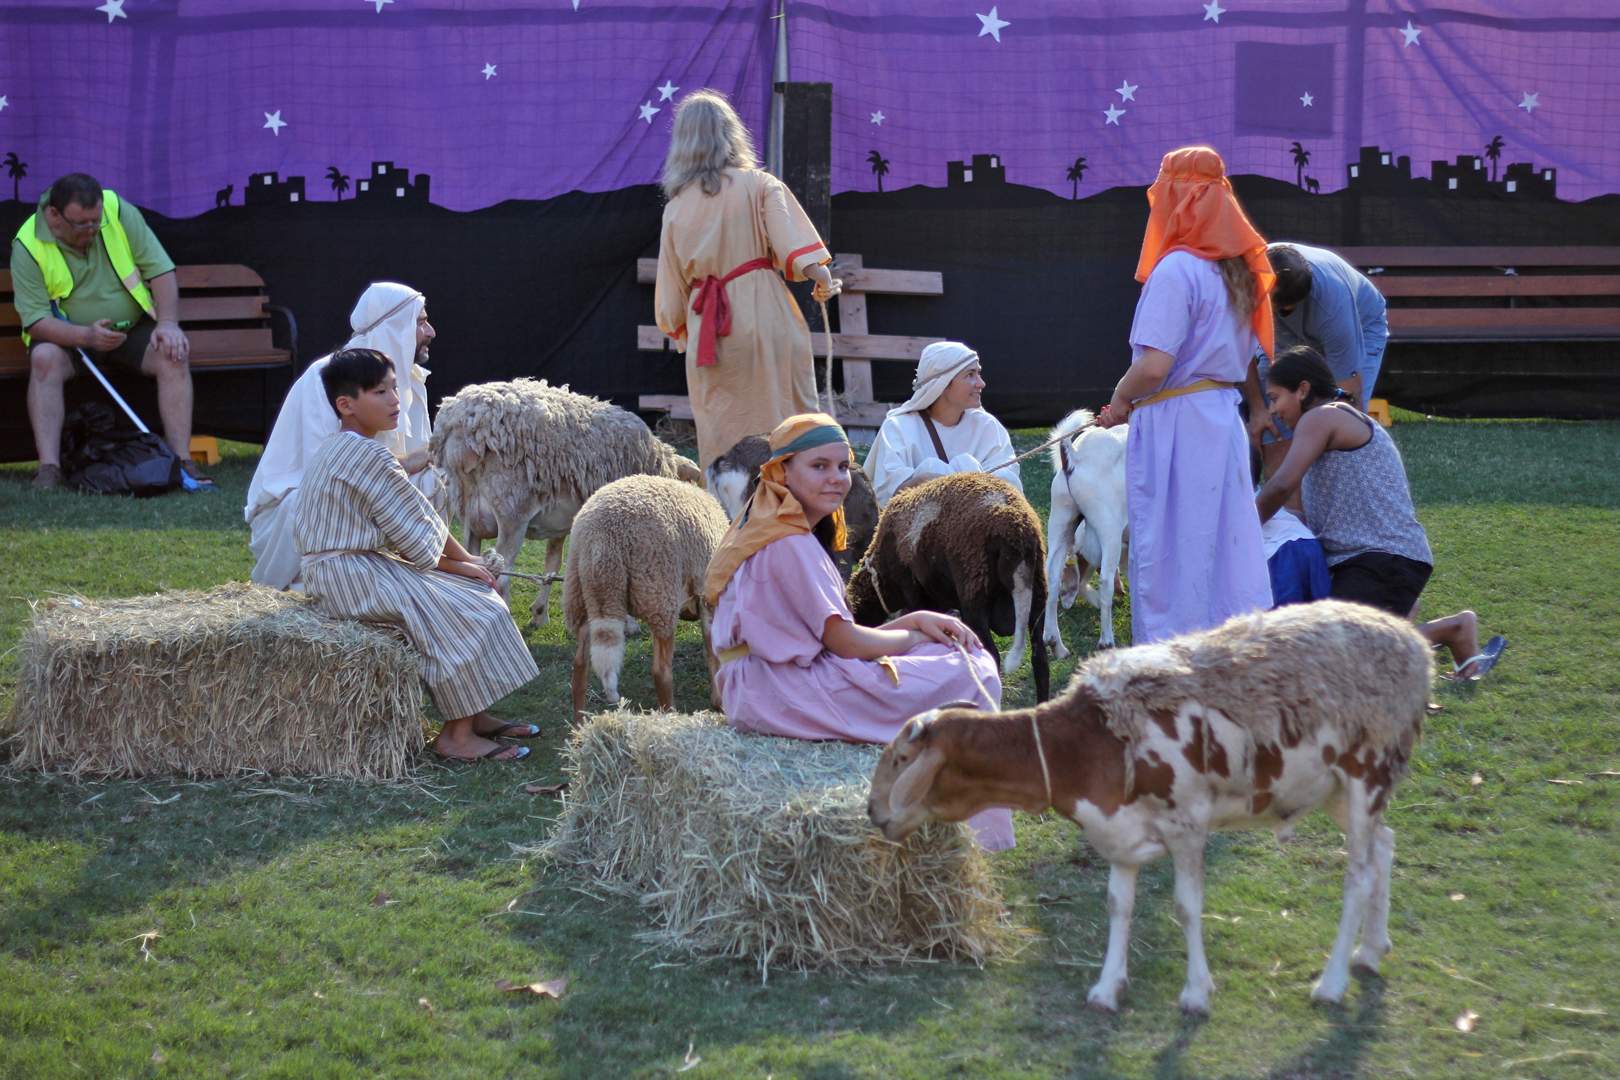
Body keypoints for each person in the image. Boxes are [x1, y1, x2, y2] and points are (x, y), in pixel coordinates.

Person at [704, 413, 1015, 851]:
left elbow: (831, 634)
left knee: (947, 659)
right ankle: (980, 835)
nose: (836, 478)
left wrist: (917, 621)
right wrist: (915, 637)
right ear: (781, 471)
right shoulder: (789, 544)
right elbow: (845, 643)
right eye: (819, 466)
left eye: (843, 466)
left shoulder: (766, 528)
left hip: (764, 682)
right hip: (784, 689)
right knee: (971, 672)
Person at [295, 348, 541, 762]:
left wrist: (468, 564)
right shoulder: (366, 454)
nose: (394, 400)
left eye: (394, 389)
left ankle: (474, 715)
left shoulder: (343, 447)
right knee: (468, 608)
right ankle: (456, 736)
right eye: (380, 392)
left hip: (348, 567)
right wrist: (467, 567)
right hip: (348, 575)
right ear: (346, 405)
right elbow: (414, 536)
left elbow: (417, 518)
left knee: (472, 591)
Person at [1097, 146, 1273, 643]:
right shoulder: (1233, 273)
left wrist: (1120, 399)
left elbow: (1154, 366)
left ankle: (1175, 659)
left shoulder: (1177, 271)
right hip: (1217, 418)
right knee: (1222, 544)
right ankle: (1233, 649)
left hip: (1180, 426)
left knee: (1177, 543)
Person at [1256, 346, 1507, 681]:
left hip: (1381, 559)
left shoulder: (1323, 417)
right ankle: (1444, 637)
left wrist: (1241, 529)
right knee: (1337, 659)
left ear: (1302, 389)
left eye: (1274, 398)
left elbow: (1282, 485)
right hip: (1371, 561)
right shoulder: (1327, 422)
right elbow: (1296, 507)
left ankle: (1452, 630)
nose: (1273, 410)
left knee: (1336, 659)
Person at [654, 89, 841, 472]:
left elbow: (671, 296)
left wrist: (679, 329)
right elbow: (793, 246)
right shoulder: (759, 185)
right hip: (765, 315)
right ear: (731, 133)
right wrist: (821, 275)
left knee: (723, 426)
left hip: (709, 329)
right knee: (786, 414)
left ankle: (732, 511)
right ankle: (793, 500)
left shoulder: (675, 209)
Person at [10, 173, 203, 490]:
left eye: (94, 223)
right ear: (54, 216)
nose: (90, 230)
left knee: (173, 352)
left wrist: (168, 323)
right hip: (70, 339)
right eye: (80, 224)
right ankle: (48, 469)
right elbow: (36, 321)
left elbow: (160, 269)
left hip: (132, 329)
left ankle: (182, 461)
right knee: (43, 358)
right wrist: (86, 336)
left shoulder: (116, 210)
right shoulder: (28, 244)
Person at [245, 282, 442, 590]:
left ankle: (417, 569)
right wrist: (404, 466)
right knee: (304, 503)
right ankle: (313, 581)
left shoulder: (411, 381)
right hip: (312, 506)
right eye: (420, 322)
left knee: (434, 480)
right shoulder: (326, 377)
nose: (430, 331)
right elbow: (322, 479)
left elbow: (414, 468)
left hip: (373, 501)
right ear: (395, 328)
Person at [1249, 242, 1390, 481]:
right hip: (1283, 327)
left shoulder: (1334, 309)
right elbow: (1239, 352)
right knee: (1273, 412)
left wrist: (1326, 430)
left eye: (1285, 311)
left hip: (1362, 324)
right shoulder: (1247, 279)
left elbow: (1347, 395)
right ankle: (1287, 512)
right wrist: (1258, 409)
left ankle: (1348, 488)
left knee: (1337, 422)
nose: (1280, 315)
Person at [862, 341, 1023, 507]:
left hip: (982, 526)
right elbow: (886, 494)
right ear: (943, 384)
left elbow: (1008, 484)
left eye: (978, 373)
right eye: (970, 375)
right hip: (919, 528)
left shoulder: (988, 427)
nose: (981, 383)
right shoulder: (898, 428)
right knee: (932, 467)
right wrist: (929, 479)